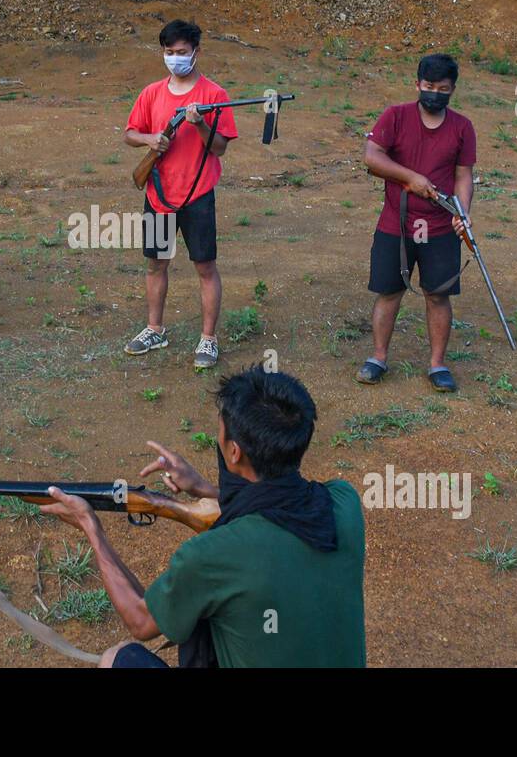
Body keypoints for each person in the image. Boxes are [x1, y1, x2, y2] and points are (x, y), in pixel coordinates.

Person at [40, 366, 366, 668]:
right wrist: (204, 489)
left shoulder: (213, 553)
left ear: (234, 452)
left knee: (116, 658)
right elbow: (275, 509)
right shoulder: (342, 503)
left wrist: (90, 525)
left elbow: (140, 621)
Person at [123, 20, 238, 369]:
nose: (176, 59)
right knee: (156, 263)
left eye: (182, 53)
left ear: (196, 52)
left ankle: (208, 339)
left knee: (204, 266)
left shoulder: (214, 96)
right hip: (159, 193)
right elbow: (130, 133)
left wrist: (200, 123)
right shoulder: (151, 94)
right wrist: (151, 139)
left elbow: (219, 148)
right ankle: (154, 328)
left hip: (197, 194)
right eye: (170, 53)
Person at [360, 53, 477, 392]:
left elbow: (463, 175)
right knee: (389, 291)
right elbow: (372, 156)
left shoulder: (462, 127)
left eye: (443, 89)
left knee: (438, 295)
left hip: (440, 227)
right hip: (395, 225)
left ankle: (437, 364)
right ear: (417, 84)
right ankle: (378, 357)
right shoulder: (395, 117)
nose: (435, 94)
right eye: (429, 87)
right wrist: (411, 177)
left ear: (452, 90)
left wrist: (462, 210)